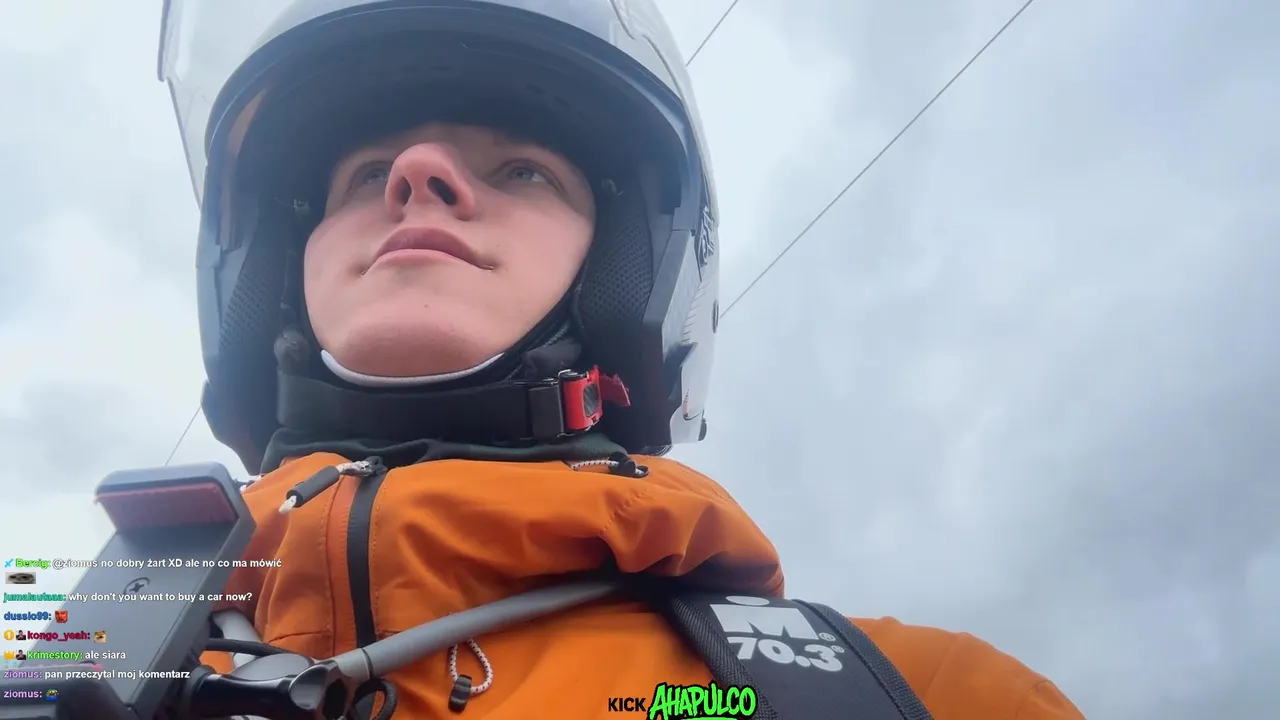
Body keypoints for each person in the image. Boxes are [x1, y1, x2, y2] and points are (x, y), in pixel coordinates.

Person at [158, 0, 1085, 717]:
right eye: (367, 174)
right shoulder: (84, 652)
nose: (416, 173)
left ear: (625, 268)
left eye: (522, 170)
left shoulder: (917, 696)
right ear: (276, 277)